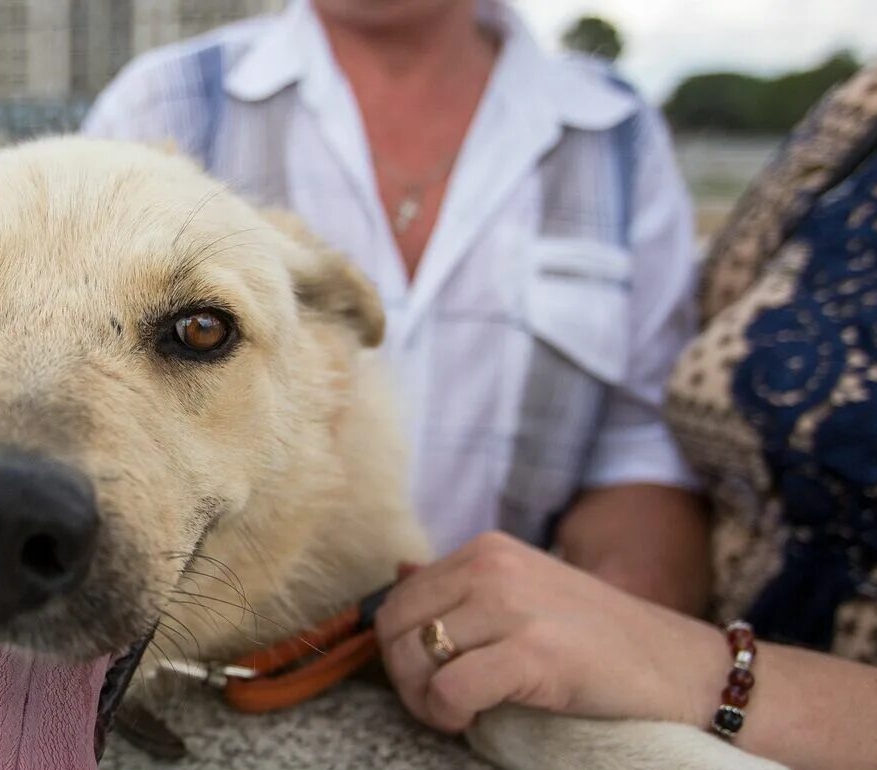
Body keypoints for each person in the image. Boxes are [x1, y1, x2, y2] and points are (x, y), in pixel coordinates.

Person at [375, 42, 877, 770]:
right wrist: (589, 639)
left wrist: (678, 662)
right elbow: (668, 418)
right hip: (649, 729)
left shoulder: (616, 125)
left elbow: (636, 450)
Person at [83, 0, 711, 613]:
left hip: (510, 676)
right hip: (233, 662)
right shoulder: (169, 101)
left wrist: (596, 640)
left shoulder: (613, 136)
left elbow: (639, 450)